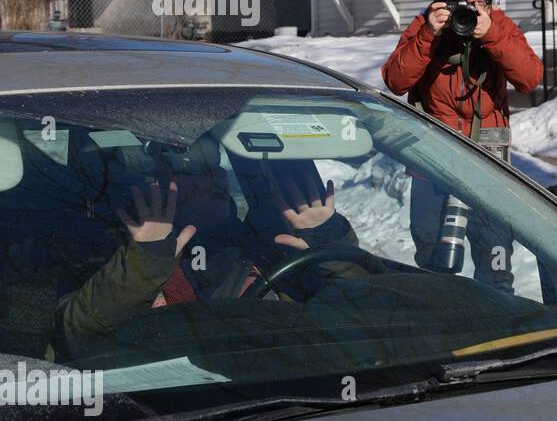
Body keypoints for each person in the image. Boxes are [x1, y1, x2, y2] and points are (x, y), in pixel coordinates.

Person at [58, 137, 358, 343]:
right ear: (159, 193)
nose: (214, 180)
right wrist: (147, 260)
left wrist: (331, 247)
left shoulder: (269, 248)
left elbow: (361, 310)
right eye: (192, 176)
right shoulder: (115, 260)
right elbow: (77, 330)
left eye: (213, 171)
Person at [381, 0, 543, 291]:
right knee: (433, 261)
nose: (469, 12)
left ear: (488, 4)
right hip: (433, 163)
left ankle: (499, 321)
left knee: (495, 258)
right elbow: (395, 81)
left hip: (488, 165)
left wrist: (493, 34)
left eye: (478, 5)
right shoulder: (428, 24)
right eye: (463, 5)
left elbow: (530, 79)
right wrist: (429, 34)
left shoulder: (499, 25)